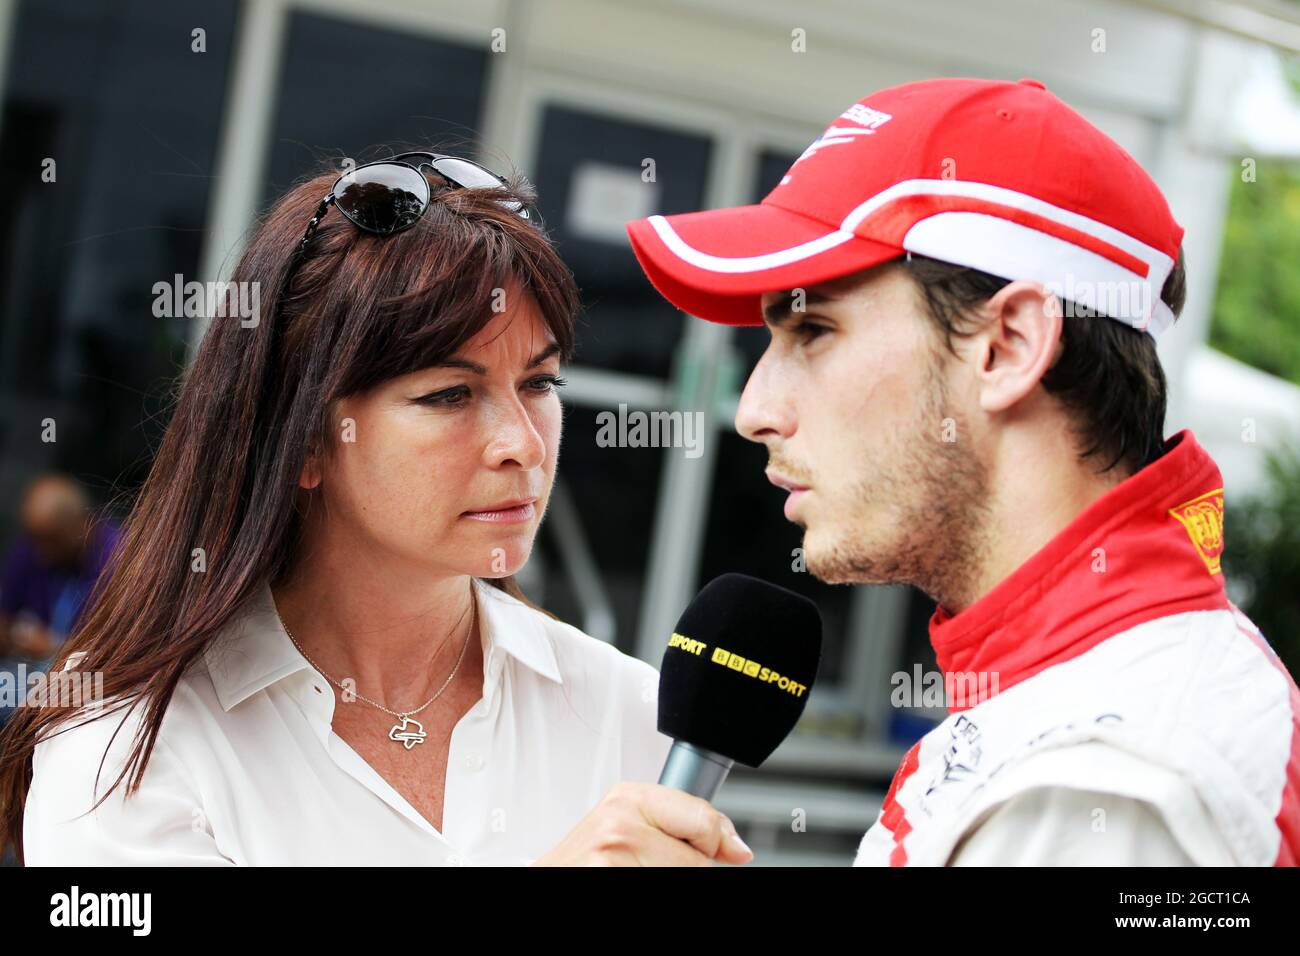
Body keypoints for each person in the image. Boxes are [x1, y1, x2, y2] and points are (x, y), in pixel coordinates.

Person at [1, 150, 752, 867]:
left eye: (540, 383)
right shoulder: (126, 743)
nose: (521, 444)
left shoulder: (629, 715)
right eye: (450, 395)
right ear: (300, 441)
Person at [625, 77, 1300, 866]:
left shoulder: (1108, 786)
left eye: (812, 328)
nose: (753, 409)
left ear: (1008, 346)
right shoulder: (1078, 697)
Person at [0, 474, 121, 727]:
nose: (43, 554)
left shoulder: (118, 560)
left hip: (88, 680)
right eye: (38, 541)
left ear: (80, 525)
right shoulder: (36, 544)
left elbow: (110, 656)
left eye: (53, 541)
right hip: (28, 667)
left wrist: (53, 647)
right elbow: (6, 611)